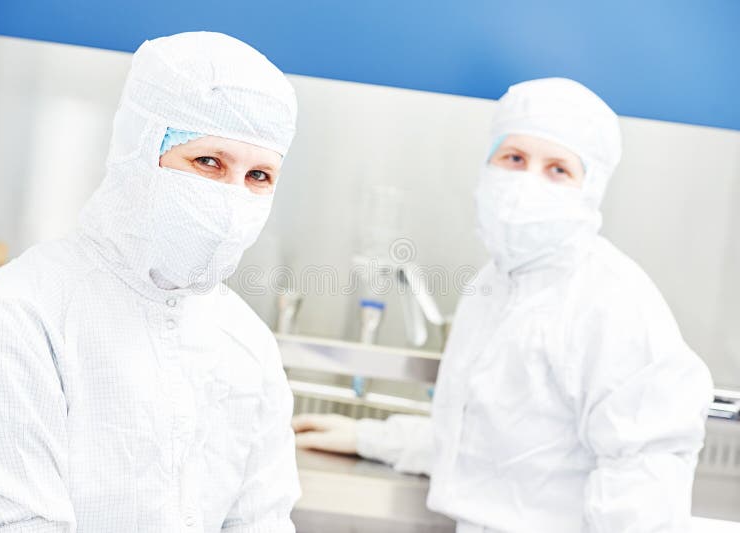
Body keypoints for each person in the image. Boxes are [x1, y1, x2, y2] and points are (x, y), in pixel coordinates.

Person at [293, 78, 714, 532]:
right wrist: (370, 438)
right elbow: (482, 441)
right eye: (513, 158)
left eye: (558, 169)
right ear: (488, 164)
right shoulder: (494, 285)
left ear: (590, 189)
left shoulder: (611, 302)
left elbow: (644, 482)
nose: (525, 183)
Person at [0, 32, 299, 532]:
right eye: (208, 162)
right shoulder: (23, 314)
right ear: (140, 152)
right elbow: (1, 523)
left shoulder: (247, 342)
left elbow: (263, 520)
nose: (233, 199)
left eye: (259, 176)